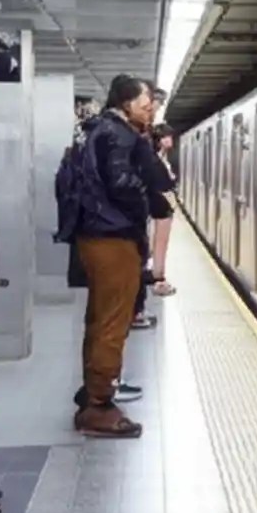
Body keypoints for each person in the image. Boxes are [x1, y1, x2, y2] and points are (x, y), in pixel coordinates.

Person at [70, 75, 154, 438]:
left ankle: (91, 391)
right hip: (112, 236)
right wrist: (148, 201)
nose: (151, 110)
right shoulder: (117, 133)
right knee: (113, 323)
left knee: (99, 318)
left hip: (95, 233)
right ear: (125, 104)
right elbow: (120, 183)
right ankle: (100, 405)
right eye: (146, 103)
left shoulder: (97, 129)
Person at [147, 124, 178, 297]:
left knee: (160, 245)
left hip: (162, 208)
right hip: (159, 209)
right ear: (160, 140)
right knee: (159, 245)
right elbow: (160, 184)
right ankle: (158, 279)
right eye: (167, 136)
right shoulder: (154, 160)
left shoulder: (159, 158)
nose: (170, 140)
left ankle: (158, 276)